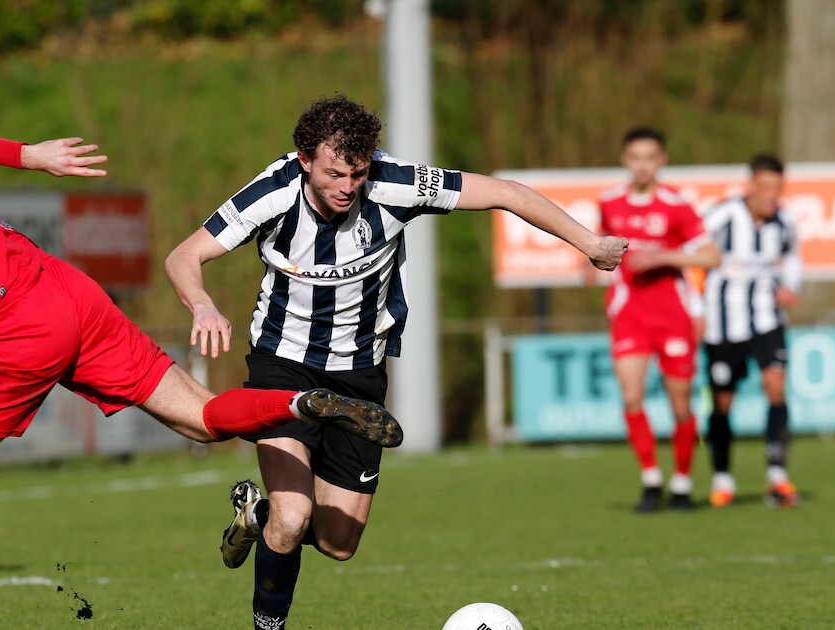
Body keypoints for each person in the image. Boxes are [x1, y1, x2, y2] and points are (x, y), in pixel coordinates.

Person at [0, 117, 403, 629]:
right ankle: (300, 403)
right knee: (205, 420)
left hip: (16, 325)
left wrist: (28, 156)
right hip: (67, 295)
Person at [164, 94, 627, 629]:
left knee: (338, 545)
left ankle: (259, 517)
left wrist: (588, 242)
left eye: (356, 174)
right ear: (303, 159)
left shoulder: (394, 182)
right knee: (295, 519)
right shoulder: (271, 195)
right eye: (335, 173)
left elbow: (505, 192)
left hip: (360, 376)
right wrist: (202, 304)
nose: (347, 187)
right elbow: (185, 255)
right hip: (284, 364)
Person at [598, 127, 721, 513]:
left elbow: (711, 256)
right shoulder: (610, 202)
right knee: (632, 396)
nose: (643, 165)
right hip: (630, 312)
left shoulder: (676, 205)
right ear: (625, 160)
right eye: (636, 157)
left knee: (680, 404)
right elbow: (601, 247)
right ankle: (651, 481)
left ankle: (682, 482)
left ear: (662, 161)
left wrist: (665, 257)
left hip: (673, 314)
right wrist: (592, 265)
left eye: (650, 157)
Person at [700, 154, 802, 509]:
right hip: (722, 324)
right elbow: (691, 255)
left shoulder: (784, 222)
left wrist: (791, 285)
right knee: (723, 401)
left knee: (775, 385)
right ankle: (722, 476)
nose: (773, 195)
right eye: (766, 187)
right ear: (751, 186)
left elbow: (792, 257)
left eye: (778, 188)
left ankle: (777, 476)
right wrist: (696, 309)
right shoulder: (721, 216)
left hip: (766, 320)